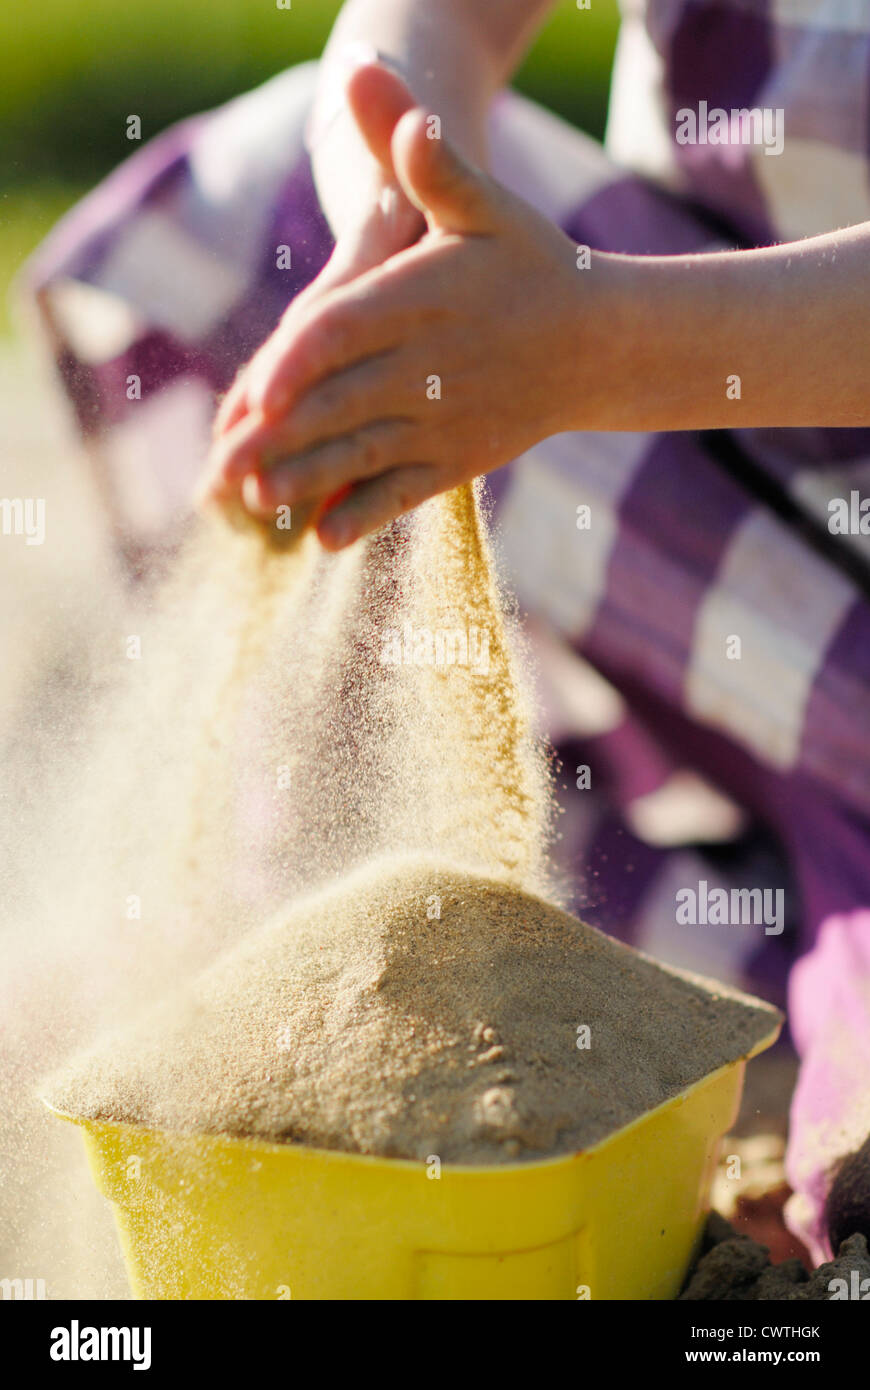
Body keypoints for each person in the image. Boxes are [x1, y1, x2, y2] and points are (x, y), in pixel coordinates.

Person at [25, 0, 870, 1267]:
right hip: (701, 438)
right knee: (260, 199)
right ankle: (736, 883)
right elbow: (430, 22)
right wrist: (396, 223)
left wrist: (595, 345)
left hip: (670, 356)